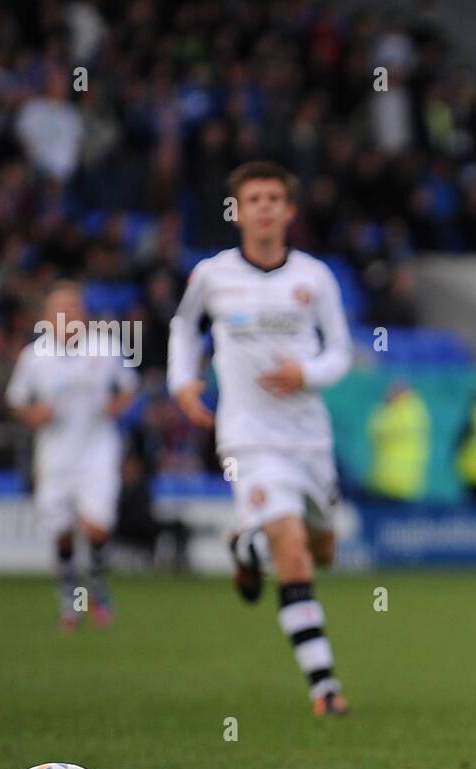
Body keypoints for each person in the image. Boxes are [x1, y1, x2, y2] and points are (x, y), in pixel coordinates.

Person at [169, 161, 354, 717]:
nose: (266, 207)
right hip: (249, 439)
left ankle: (246, 546)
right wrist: (182, 381)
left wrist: (307, 374)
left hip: (309, 440)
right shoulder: (211, 275)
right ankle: (324, 686)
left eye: (275, 197)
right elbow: (183, 326)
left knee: (322, 550)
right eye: (255, 199)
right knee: (292, 548)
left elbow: (340, 351)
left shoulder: (314, 277)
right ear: (238, 210)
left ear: (290, 210)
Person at [6, 280, 138, 631]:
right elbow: (17, 399)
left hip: (98, 450)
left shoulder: (106, 348)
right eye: (59, 309)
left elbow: (129, 387)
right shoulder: (34, 357)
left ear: (84, 313)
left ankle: (96, 586)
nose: (67, 315)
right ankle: (70, 599)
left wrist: (116, 407)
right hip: (55, 454)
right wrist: (35, 415)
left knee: (96, 527)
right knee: (62, 532)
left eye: (73, 308)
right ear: (47, 317)